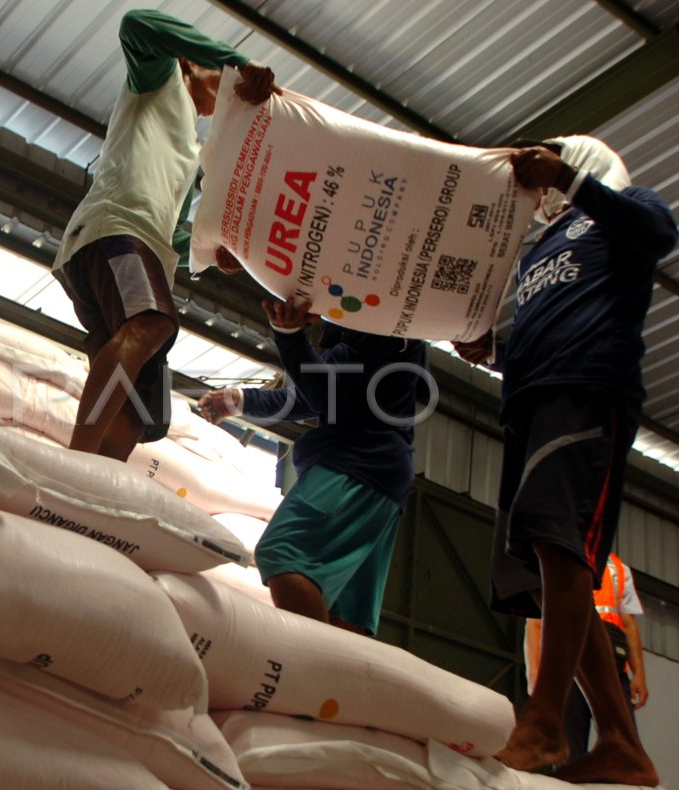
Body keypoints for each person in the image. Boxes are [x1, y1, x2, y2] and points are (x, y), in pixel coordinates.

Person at [454, 135, 675, 785]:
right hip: (530, 402)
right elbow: (538, 334)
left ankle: (545, 719)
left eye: (554, 164)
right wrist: (490, 351)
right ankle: (620, 745)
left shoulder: (625, 204)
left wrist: (575, 181)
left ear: (582, 161)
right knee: (539, 570)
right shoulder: (541, 250)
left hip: (588, 390)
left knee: (559, 539)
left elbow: (659, 234)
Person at [53, 9, 273, 461]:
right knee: (149, 323)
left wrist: (214, 248)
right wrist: (234, 60)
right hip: (114, 230)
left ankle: (89, 489)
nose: (228, 86)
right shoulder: (159, 80)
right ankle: (71, 465)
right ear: (190, 64)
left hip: (138, 247)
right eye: (220, 75)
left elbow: (172, 235)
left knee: (139, 414)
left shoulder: (193, 148)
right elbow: (135, 24)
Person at [199, 297, 429, 636]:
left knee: (282, 554)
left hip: (358, 461)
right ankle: (336, 687)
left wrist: (289, 335)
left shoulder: (377, 319)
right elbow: (318, 396)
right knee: (346, 617)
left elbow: (324, 393)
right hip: (381, 474)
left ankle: (306, 673)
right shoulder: (377, 324)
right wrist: (242, 401)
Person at [524, 552, 649, 763]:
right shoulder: (553, 561)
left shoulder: (617, 569)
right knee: (569, 750)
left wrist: (639, 675)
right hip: (568, 672)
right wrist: (534, 674)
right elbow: (535, 623)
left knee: (624, 748)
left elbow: (628, 625)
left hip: (614, 671)